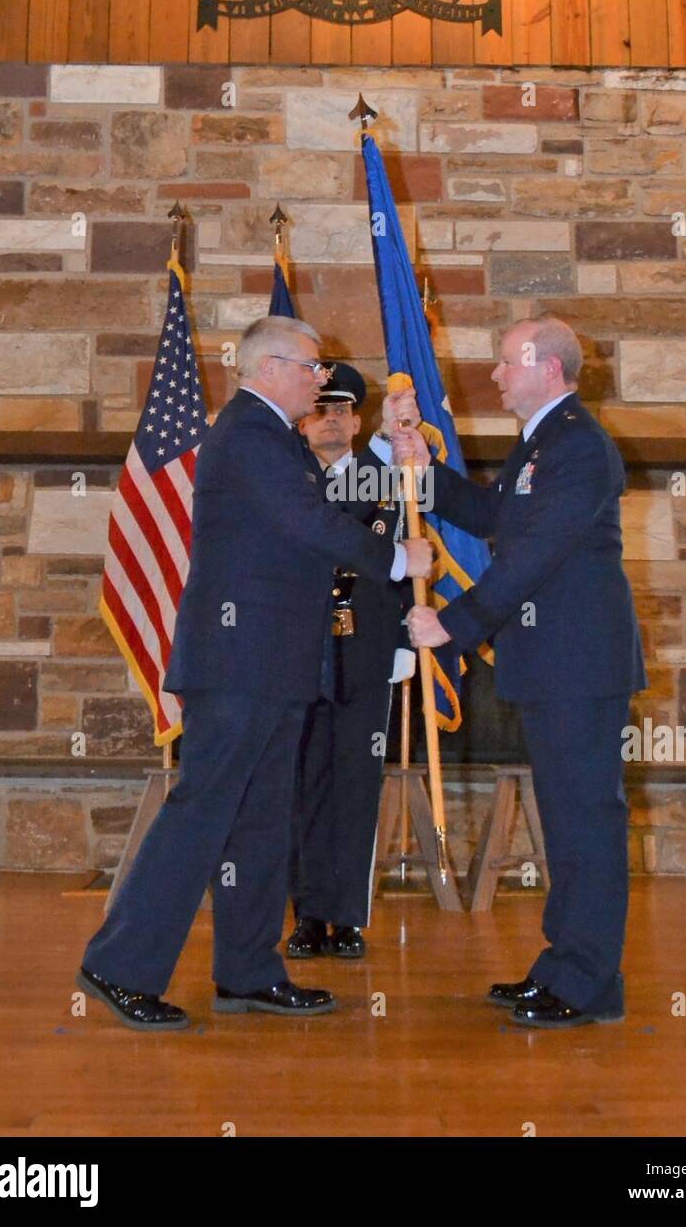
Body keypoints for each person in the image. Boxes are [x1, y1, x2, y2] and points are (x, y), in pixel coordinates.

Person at [78, 317, 431, 1030]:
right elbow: (312, 523)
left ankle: (248, 968)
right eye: (312, 367)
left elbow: (327, 510)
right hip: (238, 663)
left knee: (262, 821)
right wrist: (396, 560)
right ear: (270, 368)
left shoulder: (275, 439)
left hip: (272, 664)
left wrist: (398, 453)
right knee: (204, 812)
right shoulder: (248, 432)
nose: (320, 379)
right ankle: (119, 964)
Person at [395, 317, 646, 1030]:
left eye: (506, 363)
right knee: (569, 822)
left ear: (543, 364)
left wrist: (456, 622)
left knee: (586, 822)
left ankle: (587, 979)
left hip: (578, 664)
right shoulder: (544, 443)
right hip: (554, 664)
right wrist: (426, 474)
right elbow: (496, 516)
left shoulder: (579, 446)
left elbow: (536, 556)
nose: (497, 376)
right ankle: (569, 967)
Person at [286, 363, 415, 961]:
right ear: (303, 417)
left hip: (365, 648)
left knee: (357, 782)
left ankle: (349, 916)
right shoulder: (286, 477)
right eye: (320, 409)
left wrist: (403, 647)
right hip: (300, 651)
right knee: (304, 783)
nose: (329, 419)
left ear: (358, 421)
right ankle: (309, 913)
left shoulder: (384, 479)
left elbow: (396, 563)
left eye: (341, 411)